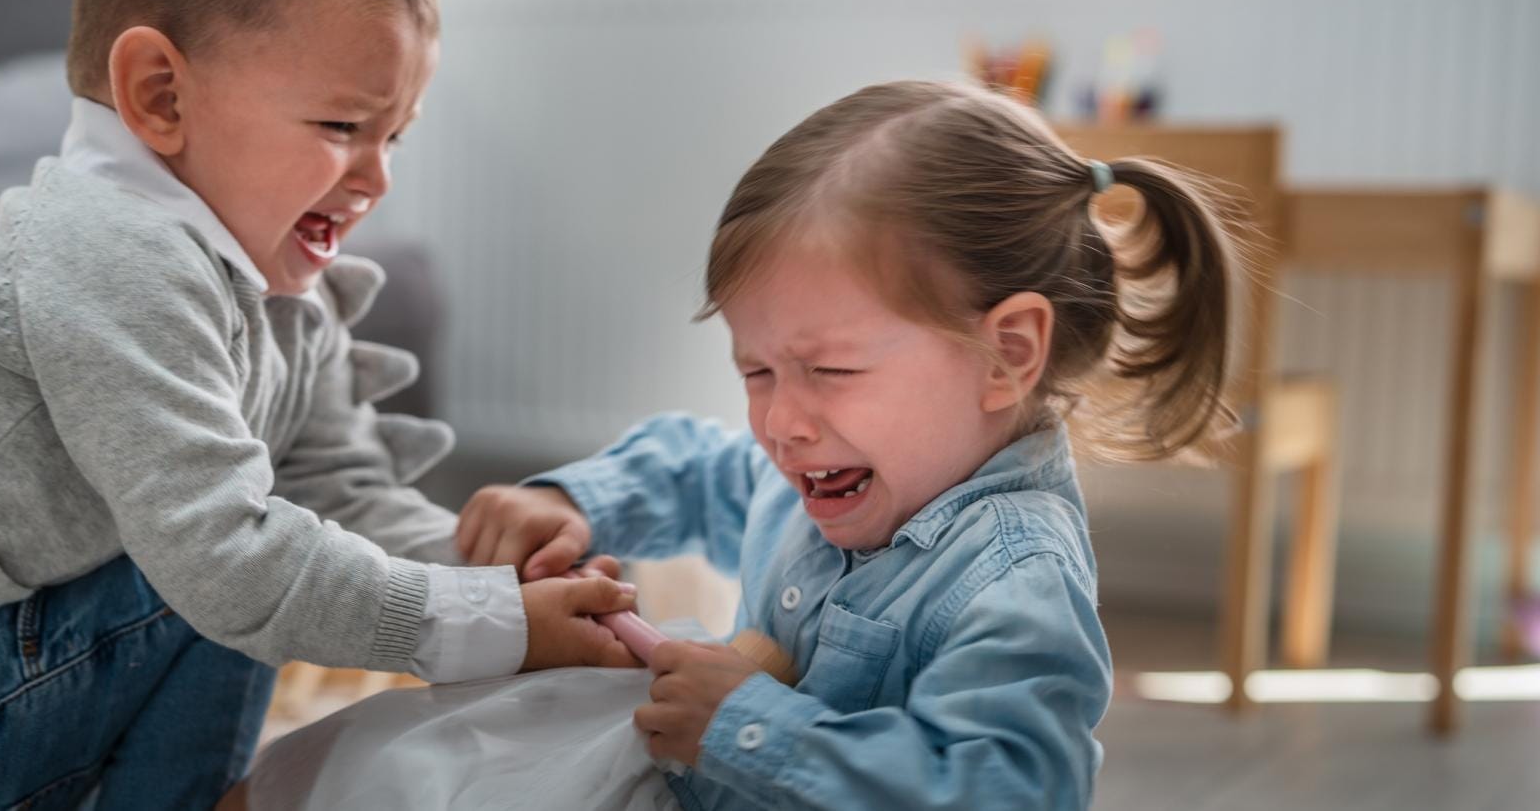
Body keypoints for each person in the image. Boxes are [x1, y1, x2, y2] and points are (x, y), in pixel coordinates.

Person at [0, 0, 634, 806]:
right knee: (229, 563)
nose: (377, 179)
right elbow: (226, 559)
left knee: (267, 547)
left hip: (0, 674)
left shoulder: (274, 274)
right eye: (343, 127)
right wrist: (487, 626)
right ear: (161, 96)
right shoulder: (105, 248)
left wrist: (496, 575)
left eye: (394, 137)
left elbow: (340, 490)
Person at [462, 79, 1240, 809]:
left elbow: (1005, 790)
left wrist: (749, 726)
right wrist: (576, 502)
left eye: (830, 370)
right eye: (756, 371)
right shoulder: (826, 469)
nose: (782, 422)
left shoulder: (1013, 578)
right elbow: (701, 469)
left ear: (1005, 354)